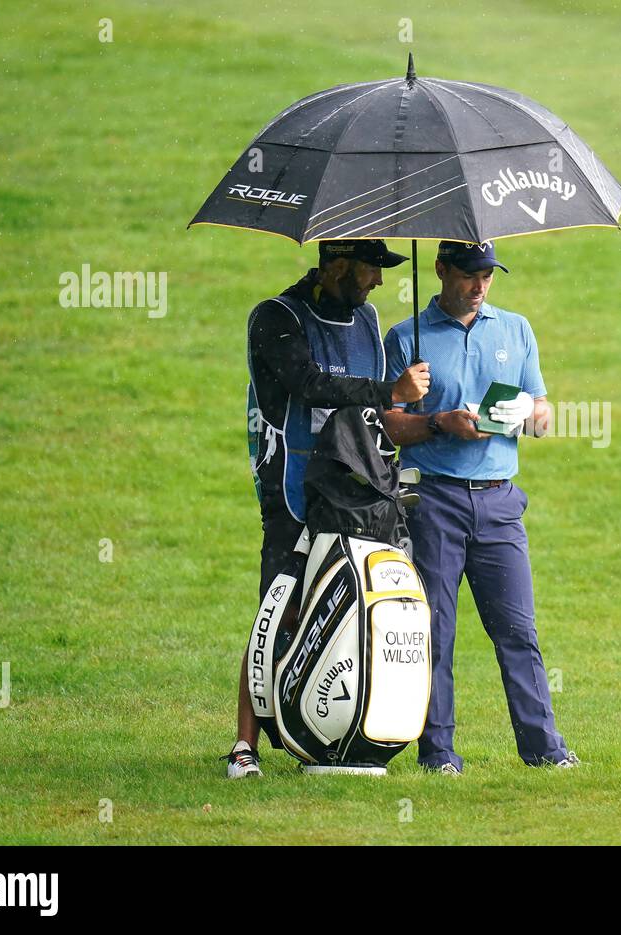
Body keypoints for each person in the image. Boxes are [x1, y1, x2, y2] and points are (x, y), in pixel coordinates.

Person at [225, 239, 430, 778]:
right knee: (279, 611)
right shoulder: (275, 317)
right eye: (371, 268)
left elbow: (373, 419)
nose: (378, 280)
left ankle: (332, 736)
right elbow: (307, 384)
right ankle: (244, 746)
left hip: (353, 491)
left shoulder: (368, 321)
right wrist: (389, 390)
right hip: (292, 488)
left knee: (354, 609)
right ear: (337, 264)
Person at [382, 241, 577, 774]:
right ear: (440, 270)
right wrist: (439, 421)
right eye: (469, 274)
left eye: (487, 275)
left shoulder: (516, 329)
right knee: (434, 632)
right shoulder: (406, 338)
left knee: (517, 630)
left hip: (499, 502)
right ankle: (438, 754)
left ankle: (544, 749)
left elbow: (543, 415)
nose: (479, 286)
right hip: (433, 501)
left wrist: (526, 413)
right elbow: (388, 424)